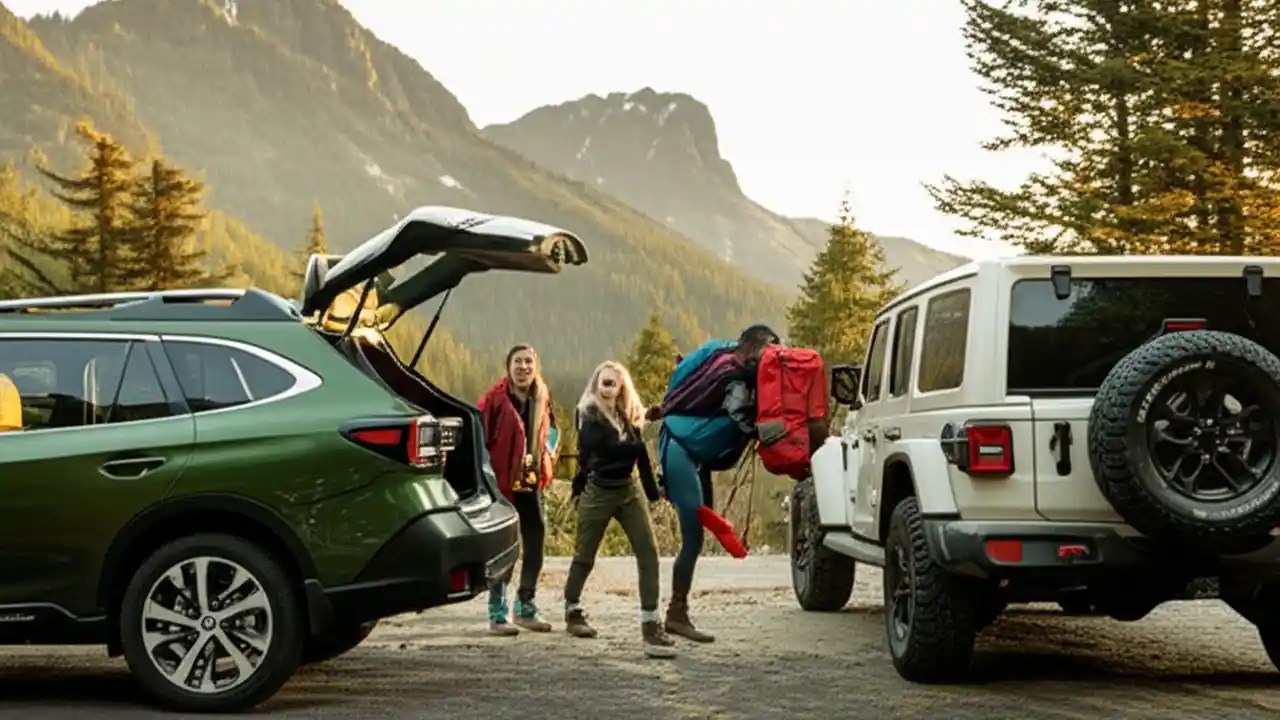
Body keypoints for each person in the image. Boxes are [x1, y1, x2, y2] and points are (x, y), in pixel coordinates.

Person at [646, 323, 781, 643]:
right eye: (769, 353)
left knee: (698, 532)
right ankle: (675, 615)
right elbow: (738, 415)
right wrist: (767, 433)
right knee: (692, 535)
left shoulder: (721, 351)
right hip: (681, 447)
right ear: (756, 350)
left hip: (685, 446)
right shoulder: (736, 377)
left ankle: (678, 612)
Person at [561, 360, 677, 658]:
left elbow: (641, 460)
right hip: (599, 491)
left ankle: (651, 625)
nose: (609, 387)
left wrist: (654, 495)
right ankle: (572, 610)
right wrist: (642, 429)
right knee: (584, 555)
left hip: (628, 489)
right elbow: (604, 450)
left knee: (648, 553)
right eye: (605, 382)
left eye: (615, 382)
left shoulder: (627, 417)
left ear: (622, 387)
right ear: (597, 385)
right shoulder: (588, 416)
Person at [478, 344, 559, 635]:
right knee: (505, 546)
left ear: (535, 366)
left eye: (528, 362)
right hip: (501, 485)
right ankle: (497, 613)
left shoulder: (542, 396)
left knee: (536, 537)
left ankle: (525, 606)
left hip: (529, 481)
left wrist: (548, 455)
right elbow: (479, 437)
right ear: (508, 367)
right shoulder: (495, 400)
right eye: (518, 362)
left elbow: (552, 431)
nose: (523, 367)